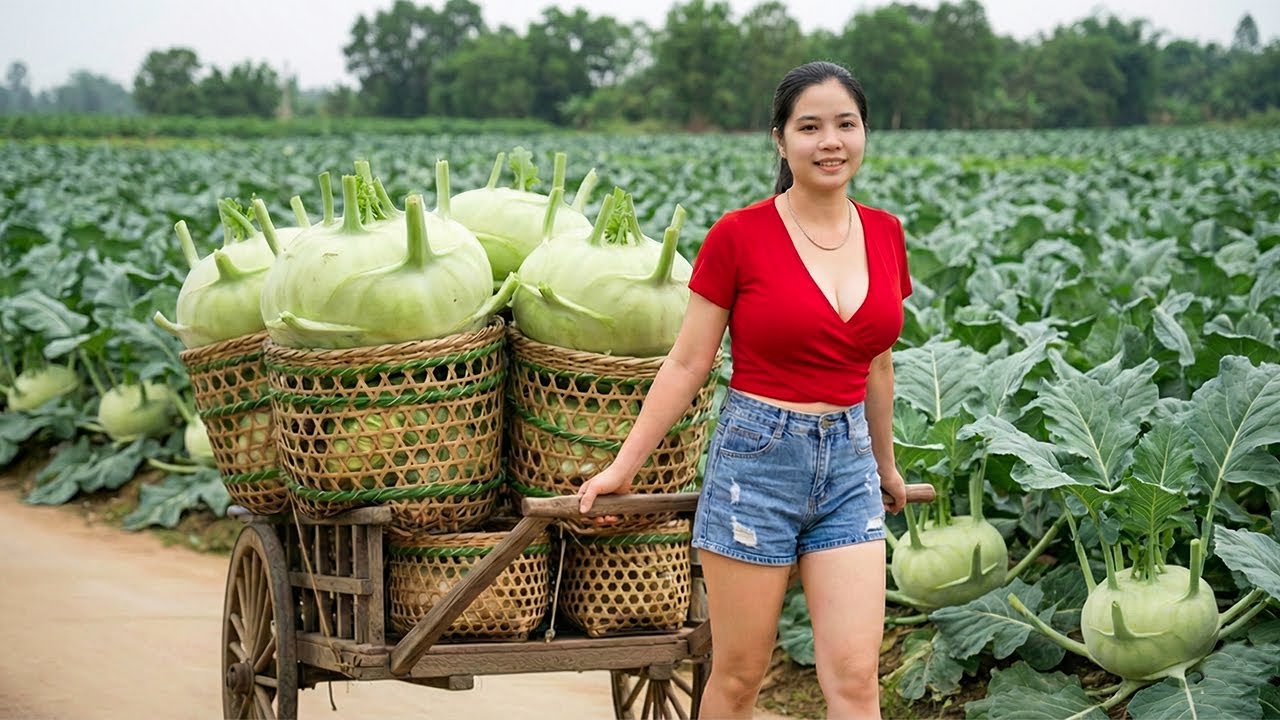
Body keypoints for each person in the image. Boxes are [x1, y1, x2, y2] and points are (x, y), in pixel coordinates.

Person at [577, 60, 911, 719]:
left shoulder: (886, 233)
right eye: (810, 126)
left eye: (846, 124)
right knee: (738, 679)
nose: (831, 142)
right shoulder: (739, 235)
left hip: (848, 470)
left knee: (855, 679)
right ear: (781, 141)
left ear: (865, 133)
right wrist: (625, 466)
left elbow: (877, 366)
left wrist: (885, 464)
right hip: (756, 464)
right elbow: (687, 364)